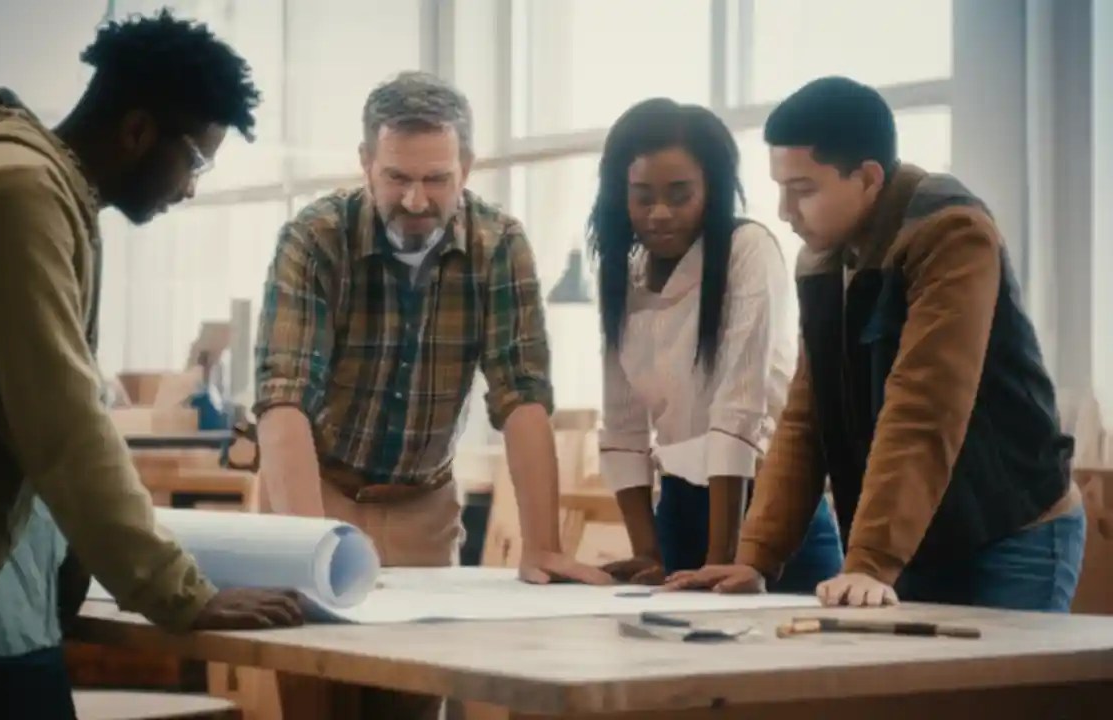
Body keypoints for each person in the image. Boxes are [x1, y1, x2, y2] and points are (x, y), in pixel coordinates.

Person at [0, 11, 301, 719]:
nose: (193, 187)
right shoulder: (15, 193)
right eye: (196, 160)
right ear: (139, 131)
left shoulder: (47, 193)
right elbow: (62, 423)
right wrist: (181, 594)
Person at [237, 70, 611, 720]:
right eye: (396, 177)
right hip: (313, 486)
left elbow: (522, 395)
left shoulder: (500, 246)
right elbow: (284, 399)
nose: (415, 199)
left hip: (421, 506)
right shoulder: (314, 237)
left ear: (466, 165)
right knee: (316, 702)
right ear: (365, 164)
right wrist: (304, 546)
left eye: (436, 179)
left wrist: (543, 542)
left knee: (407, 709)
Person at [665, 76, 1086, 611]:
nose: (783, 210)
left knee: (1001, 698)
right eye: (780, 188)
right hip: (918, 538)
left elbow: (924, 404)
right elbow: (807, 417)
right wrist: (756, 558)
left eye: (802, 190)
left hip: (1010, 532)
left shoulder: (952, 233)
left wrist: (868, 561)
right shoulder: (822, 257)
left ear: (867, 178)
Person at [589, 99, 843, 592]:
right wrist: (648, 552)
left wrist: (721, 560)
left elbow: (737, 413)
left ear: (712, 189)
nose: (658, 213)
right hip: (679, 508)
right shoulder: (622, 272)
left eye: (679, 195)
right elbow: (622, 427)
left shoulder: (748, 250)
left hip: (765, 512)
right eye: (641, 196)